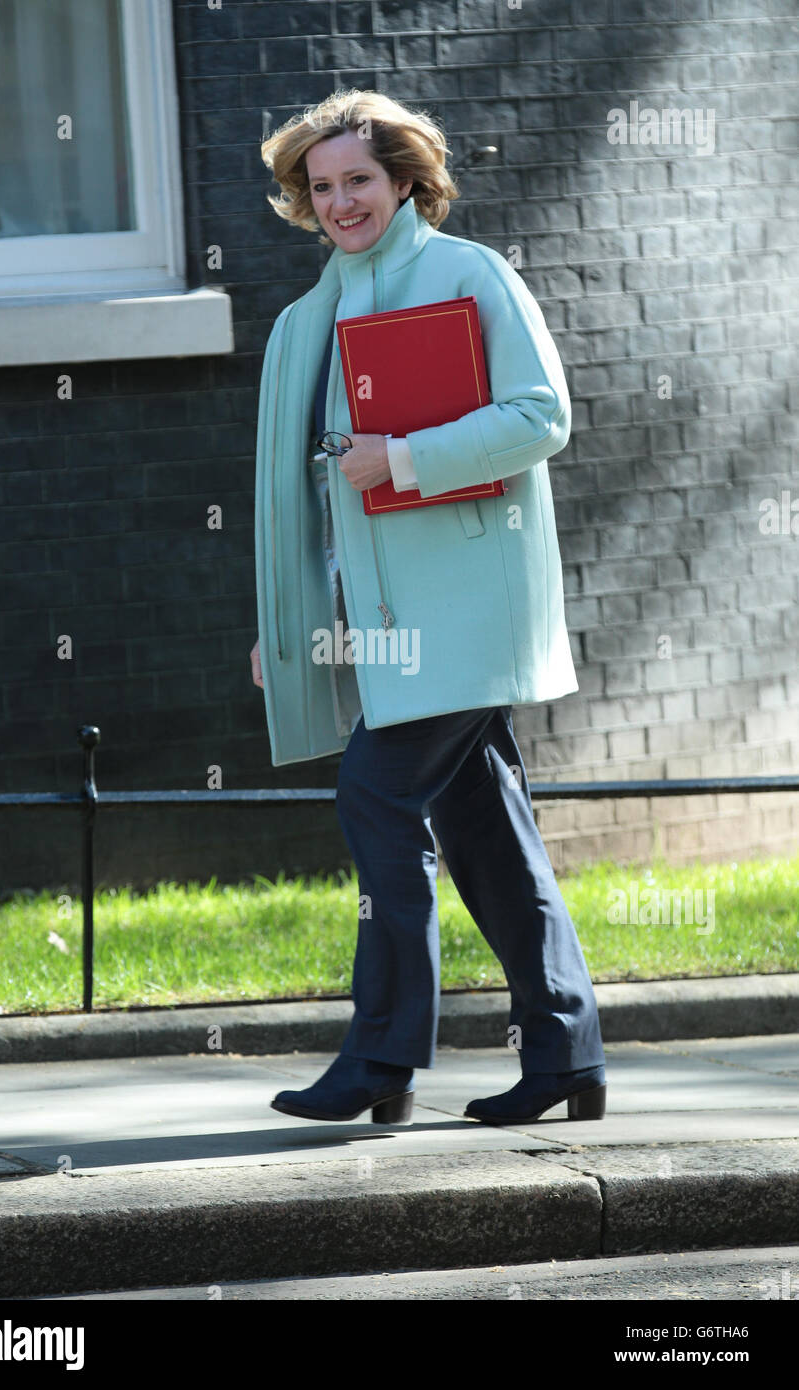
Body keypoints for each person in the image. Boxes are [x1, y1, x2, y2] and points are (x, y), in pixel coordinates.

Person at [249, 89, 606, 1127]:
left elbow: (541, 416)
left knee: (372, 794)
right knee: (487, 832)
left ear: (404, 178)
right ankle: (564, 1053)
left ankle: (382, 1056)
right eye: (319, 188)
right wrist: (291, 621)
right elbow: (317, 495)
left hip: (470, 608)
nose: (339, 202)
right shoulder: (309, 318)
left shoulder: (468, 273)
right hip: (392, 626)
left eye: (357, 179)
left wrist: (400, 457)